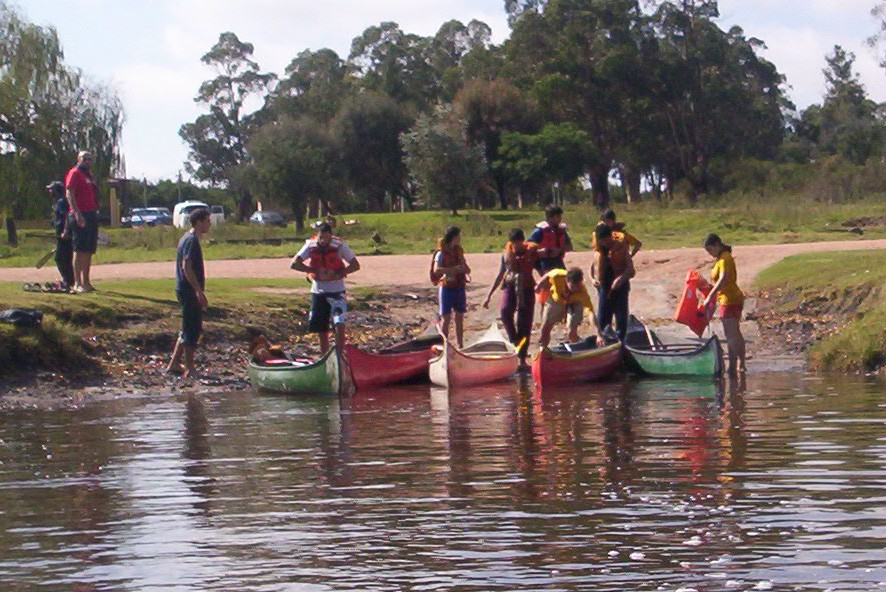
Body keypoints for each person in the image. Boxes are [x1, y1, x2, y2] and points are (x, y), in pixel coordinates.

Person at [291, 222, 361, 353]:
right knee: (321, 328)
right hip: (318, 292)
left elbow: (355, 265)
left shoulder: (340, 246)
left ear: (331, 236)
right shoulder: (310, 246)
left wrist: (339, 273)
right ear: (318, 236)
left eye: (326, 238)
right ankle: (325, 356)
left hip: (337, 291)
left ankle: (340, 353)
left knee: (339, 323)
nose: (323, 241)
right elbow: (294, 264)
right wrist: (312, 270)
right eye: (321, 238)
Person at [482, 228, 537, 368]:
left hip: (527, 288)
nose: (517, 245)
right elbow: (501, 274)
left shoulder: (531, 252)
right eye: (514, 243)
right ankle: (514, 340)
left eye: (519, 242)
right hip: (511, 285)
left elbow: (541, 269)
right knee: (505, 311)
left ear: (523, 241)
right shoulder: (507, 254)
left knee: (525, 323)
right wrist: (488, 295)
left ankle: (522, 359)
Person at [168, 208, 212, 378]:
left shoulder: (188, 238)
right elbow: (187, 267)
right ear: (198, 222)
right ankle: (189, 367)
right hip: (188, 290)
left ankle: (174, 364)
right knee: (192, 328)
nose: (209, 224)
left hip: (185, 289)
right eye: (207, 221)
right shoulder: (191, 240)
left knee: (187, 327)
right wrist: (198, 292)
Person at [702, 233, 746, 374]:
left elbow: (723, 279)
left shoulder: (725, 258)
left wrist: (710, 296)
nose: (710, 254)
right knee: (734, 333)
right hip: (730, 298)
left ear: (717, 245)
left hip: (729, 300)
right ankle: (738, 365)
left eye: (710, 250)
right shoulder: (722, 258)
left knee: (731, 335)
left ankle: (735, 365)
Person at [536, 267, 604, 349]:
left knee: (571, 332)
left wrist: (599, 334)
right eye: (573, 286)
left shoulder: (582, 292)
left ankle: (576, 348)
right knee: (545, 328)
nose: (576, 288)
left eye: (578, 285)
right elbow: (548, 274)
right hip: (556, 300)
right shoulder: (558, 275)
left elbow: (590, 313)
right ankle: (543, 350)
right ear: (567, 281)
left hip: (575, 303)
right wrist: (540, 283)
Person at [592, 224, 636, 341]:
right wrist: (593, 279)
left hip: (620, 286)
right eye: (601, 241)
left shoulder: (621, 247)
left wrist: (620, 279)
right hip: (605, 288)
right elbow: (592, 268)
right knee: (603, 319)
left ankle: (621, 342)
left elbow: (630, 269)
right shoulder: (598, 251)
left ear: (610, 237)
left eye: (606, 240)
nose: (605, 243)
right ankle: (604, 342)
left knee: (621, 318)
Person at [65, 150, 100, 293]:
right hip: (80, 213)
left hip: (91, 214)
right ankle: (77, 283)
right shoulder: (74, 173)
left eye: (90, 159)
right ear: (78, 159)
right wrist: (77, 214)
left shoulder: (89, 176)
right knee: (79, 250)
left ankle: (87, 282)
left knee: (88, 250)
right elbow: (70, 193)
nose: (88, 161)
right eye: (85, 159)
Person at [431, 226, 470, 348]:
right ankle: (444, 346)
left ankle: (460, 345)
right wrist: (453, 270)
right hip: (446, 288)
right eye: (458, 236)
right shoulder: (440, 253)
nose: (460, 239)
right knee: (446, 317)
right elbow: (436, 270)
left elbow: (466, 267)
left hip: (459, 287)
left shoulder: (459, 251)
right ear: (453, 237)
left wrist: (464, 270)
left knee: (459, 317)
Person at [528, 204, 573, 274]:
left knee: (563, 279)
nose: (560, 218)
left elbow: (570, 247)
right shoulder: (540, 231)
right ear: (550, 217)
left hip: (558, 260)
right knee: (550, 280)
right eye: (558, 216)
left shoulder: (561, 230)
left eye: (560, 216)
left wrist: (559, 250)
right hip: (543, 262)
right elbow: (527, 248)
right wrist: (540, 252)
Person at [47, 181, 74, 290]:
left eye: (51, 189)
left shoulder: (62, 201)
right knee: (64, 258)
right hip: (61, 235)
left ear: (56, 191)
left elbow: (67, 216)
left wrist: (66, 231)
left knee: (61, 258)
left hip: (65, 235)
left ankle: (68, 281)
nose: (50, 191)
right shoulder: (59, 202)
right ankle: (69, 280)